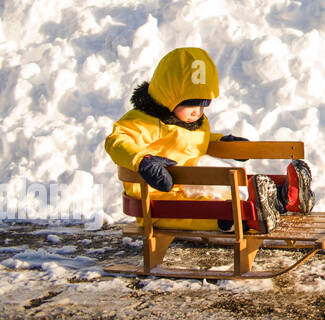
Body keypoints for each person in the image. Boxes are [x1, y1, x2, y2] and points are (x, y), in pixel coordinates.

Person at [104, 46, 313, 233]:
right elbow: (116, 141)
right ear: (167, 97)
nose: (197, 112)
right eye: (190, 105)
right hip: (160, 203)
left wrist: (224, 142)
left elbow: (196, 141)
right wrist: (143, 160)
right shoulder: (144, 123)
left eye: (202, 106)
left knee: (223, 185)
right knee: (219, 203)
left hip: (189, 188)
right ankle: (252, 218)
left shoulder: (187, 121)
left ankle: (284, 198)